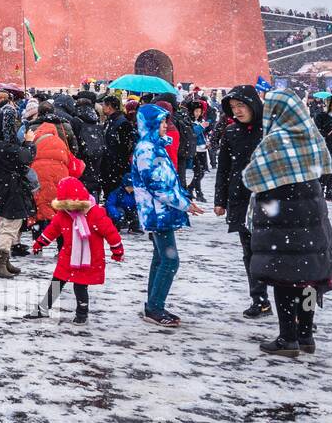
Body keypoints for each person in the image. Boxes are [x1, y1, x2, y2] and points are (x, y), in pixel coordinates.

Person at [243, 89, 332, 357]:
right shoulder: (311, 136)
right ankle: (306, 336)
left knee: (284, 281)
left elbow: (252, 178)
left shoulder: (275, 140)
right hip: (312, 217)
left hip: (283, 220)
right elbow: (325, 166)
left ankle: (287, 338)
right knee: (309, 281)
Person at [131, 103, 204, 327]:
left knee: (161, 257)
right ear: (152, 123)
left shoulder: (155, 146)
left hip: (161, 210)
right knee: (170, 261)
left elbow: (166, 181)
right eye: (162, 121)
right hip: (157, 212)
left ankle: (153, 305)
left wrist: (182, 199)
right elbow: (157, 186)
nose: (166, 125)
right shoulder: (147, 149)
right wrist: (183, 204)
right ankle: (155, 307)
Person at [24, 177, 124, 324]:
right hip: (68, 255)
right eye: (66, 205)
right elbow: (52, 230)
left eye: (73, 205)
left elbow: (110, 232)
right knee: (56, 282)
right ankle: (43, 309)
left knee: (80, 285)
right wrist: (40, 242)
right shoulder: (63, 215)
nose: (71, 209)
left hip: (88, 257)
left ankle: (82, 313)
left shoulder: (95, 213)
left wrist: (117, 250)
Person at [213, 85, 270, 318]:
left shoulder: (270, 130)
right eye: (233, 107)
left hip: (269, 199)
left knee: (275, 253)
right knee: (250, 252)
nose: (237, 111)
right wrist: (220, 200)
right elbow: (224, 168)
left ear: (253, 104)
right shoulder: (231, 132)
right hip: (241, 199)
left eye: (241, 105)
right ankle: (259, 298)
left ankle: (292, 306)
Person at [0, 104, 33, 278]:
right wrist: (28, 142)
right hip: (10, 187)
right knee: (11, 223)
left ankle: (4, 260)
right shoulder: (4, 146)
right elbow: (26, 157)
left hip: (3, 186)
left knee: (7, 222)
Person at [100, 95, 141, 233]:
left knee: (119, 194)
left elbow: (125, 148)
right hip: (110, 166)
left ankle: (123, 221)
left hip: (117, 167)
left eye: (104, 105)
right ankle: (116, 220)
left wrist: (117, 162)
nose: (102, 108)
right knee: (112, 194)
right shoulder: (111, 121)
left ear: (110, 106)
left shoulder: (122, 123)